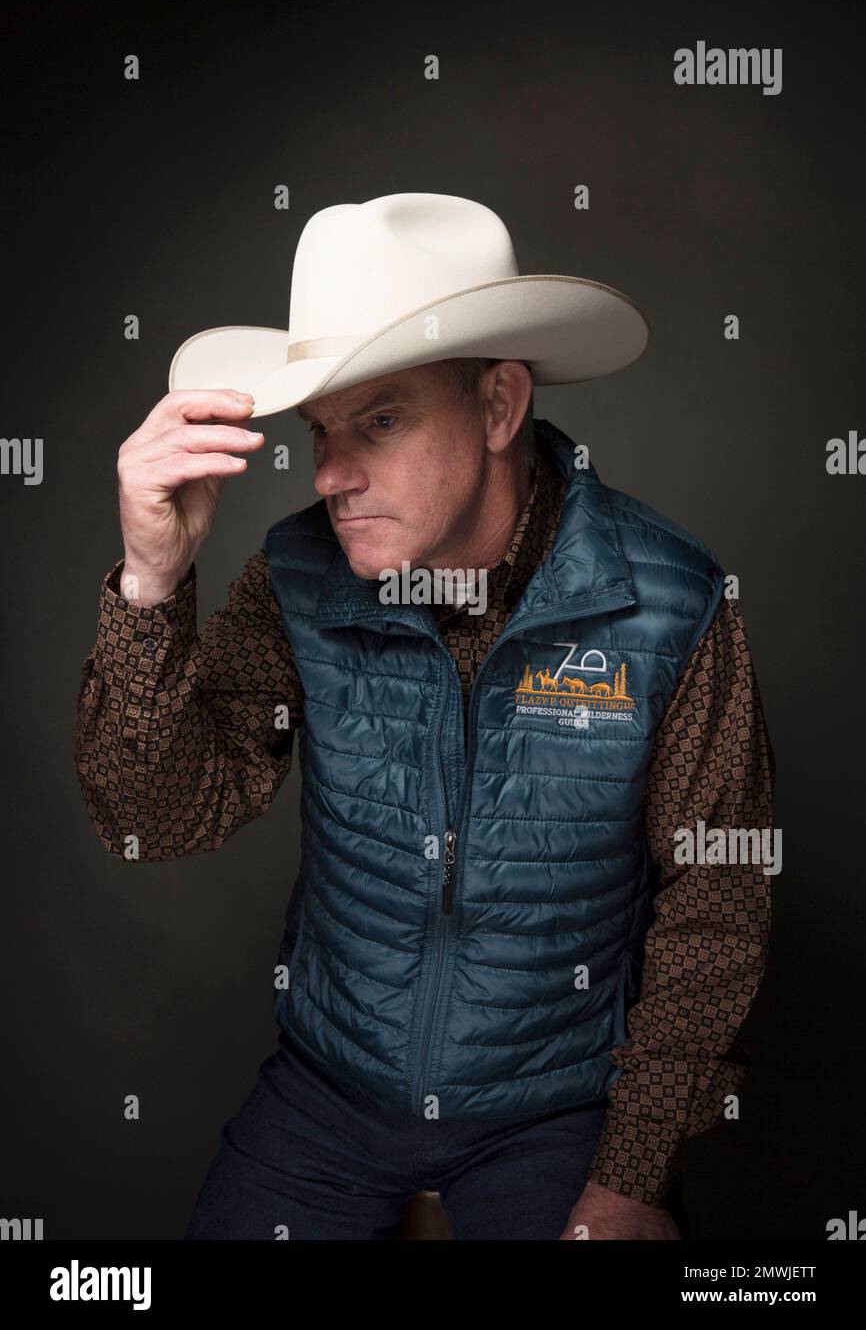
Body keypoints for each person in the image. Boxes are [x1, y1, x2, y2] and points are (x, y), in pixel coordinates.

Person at [75, 193, 774, 1240]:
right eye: (318, 431)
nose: (329, 473)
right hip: (328, 1100)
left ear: (498, 405)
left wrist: (629, 1174)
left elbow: (716, 902)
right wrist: (151, 577)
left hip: (553, 1113)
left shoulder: (667, 601)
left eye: (382, 419)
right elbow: (157, 815)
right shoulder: (302, 575)